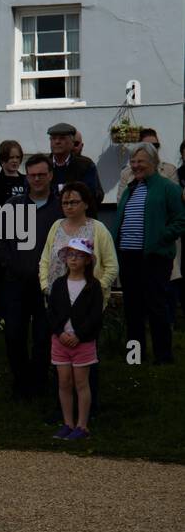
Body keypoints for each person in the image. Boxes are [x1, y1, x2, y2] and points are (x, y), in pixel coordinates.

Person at [111, 142, 185, 364]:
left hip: (154, 256)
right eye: (133, 162)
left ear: (153, 162)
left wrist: (161, 237)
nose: (136, 166)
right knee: (132, 308)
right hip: (129, 256)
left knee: (156, 307)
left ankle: (163, 357)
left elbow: (180, 220)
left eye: (140, 161)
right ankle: (135, 356)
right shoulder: (130, 188)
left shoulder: (167, 188)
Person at [0, 155, 62, 399]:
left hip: (49, 284)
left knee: (43, 337)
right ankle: (21, 382)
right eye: (32, 175)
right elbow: (0, 240)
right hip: (16, 282)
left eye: (41, 174)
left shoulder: (59, 207)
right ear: (26, 176)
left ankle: (39, 382)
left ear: (50, 175)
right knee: (14, 334)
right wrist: (10, 265)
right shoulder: (13, 205)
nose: (36, 179)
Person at [47, 238, 103, 440]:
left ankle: (82, 425)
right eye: (70, 255)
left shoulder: (92, 286)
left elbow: (96, 316)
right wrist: (60, 332)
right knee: (64, 381)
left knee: (81, 382)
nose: (73, 259)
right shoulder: (59, 284)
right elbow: (51, 312)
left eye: (79, 255)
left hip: (83, 342)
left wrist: (79, 335)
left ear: (87, 260)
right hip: (60, 341)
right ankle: (67, 422)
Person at [38, 182, 117, 301]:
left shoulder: (98, 229)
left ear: (86, 204)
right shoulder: (56, 226)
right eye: (65, 203)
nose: (69, 206)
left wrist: (96, 290)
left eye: (74, 202)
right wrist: (45, 286)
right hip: (56, 299)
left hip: (87, 302)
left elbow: (112, 266)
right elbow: (44, 260)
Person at [47, 123, 103, 207]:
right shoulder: (42, 165)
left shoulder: (86, 165)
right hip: (49, 217)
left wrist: (56, 189)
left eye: (62, 138)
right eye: (53, 138)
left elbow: (91, 194)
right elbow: (36, 193)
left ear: (72, 143)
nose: (57, 142)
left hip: (78, 217)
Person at [118, 128, 178, 196]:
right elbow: (121, 202)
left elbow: (175, 197)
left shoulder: (169, 170)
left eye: (155, 145)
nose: (152, 149)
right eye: (148, 146)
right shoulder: (127, 173)